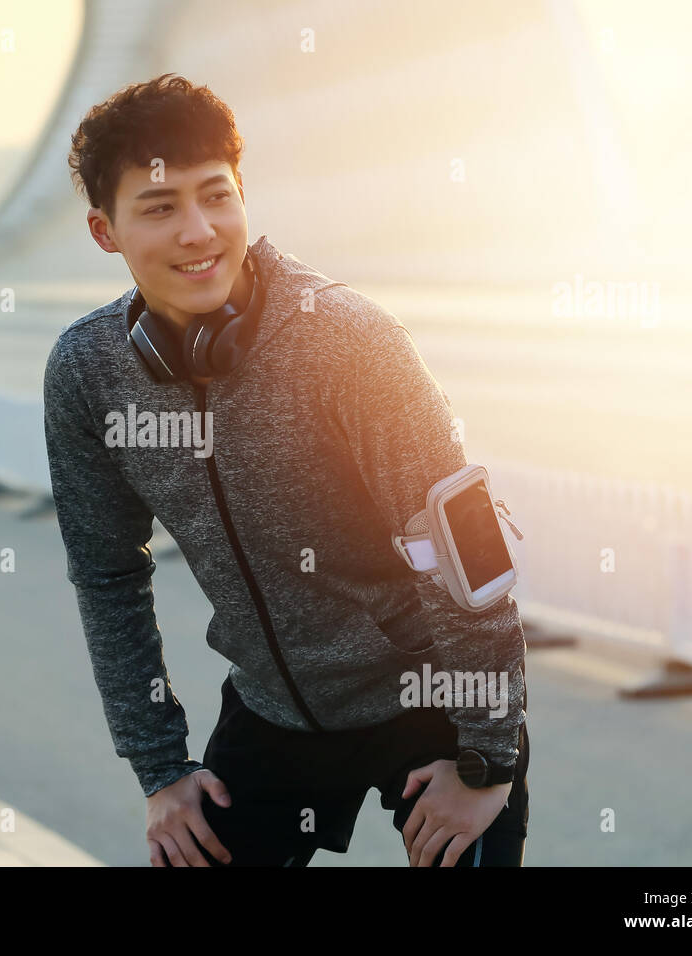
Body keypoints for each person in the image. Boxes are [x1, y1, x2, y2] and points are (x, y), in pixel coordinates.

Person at [44, 74, 529, 867]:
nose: (200, 231)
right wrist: (161, 770)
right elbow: (106, 575)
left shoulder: (344, 338)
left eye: (217, 196)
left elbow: (464, 549)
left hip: (435, 706)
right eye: (161, 208)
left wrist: (486, 759)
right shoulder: (88, 372)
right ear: (106, 231)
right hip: (274, 713)